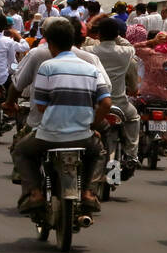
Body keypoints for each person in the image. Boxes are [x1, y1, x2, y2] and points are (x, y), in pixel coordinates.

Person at [14, 17, 107, 214]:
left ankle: (35, 193)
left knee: (21, 150)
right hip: (83, 135)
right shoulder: (91, 68)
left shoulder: (47, 67)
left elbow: (40, 106)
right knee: (99, 152)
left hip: (49, 136)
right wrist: (92, 126)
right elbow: (106, 102)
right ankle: (89, 192)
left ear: (50, 44)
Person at [84, 16, 141, 178]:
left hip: (95, 105)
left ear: (99, 34)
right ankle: (131, 154)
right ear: (117, 34)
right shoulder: (125, 52)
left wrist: (92, 32)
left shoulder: (90, 52)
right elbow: (129, 45)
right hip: (120, 105)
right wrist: (115, 35)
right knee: (134, 118)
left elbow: (80, 44)